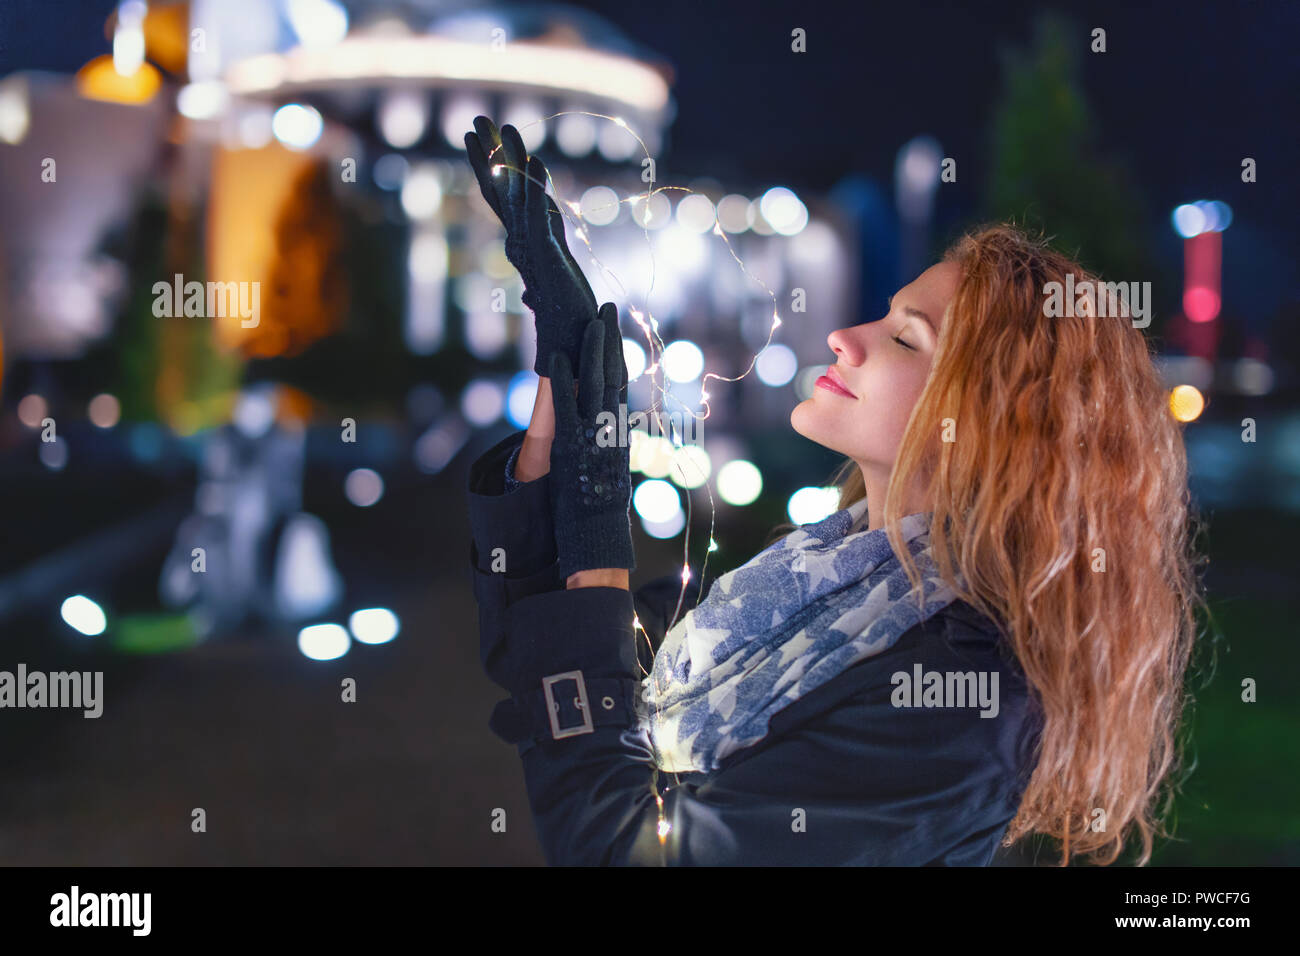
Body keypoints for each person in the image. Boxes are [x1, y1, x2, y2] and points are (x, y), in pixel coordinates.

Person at [463, 117, 1204, 866]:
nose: (848, 337)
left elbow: (622, 845)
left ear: (992, 425)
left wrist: (596, 522)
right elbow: (546, 662)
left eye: (906, 338)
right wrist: (562, 401)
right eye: (885, 315)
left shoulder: (961, 704)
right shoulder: (799, 588)